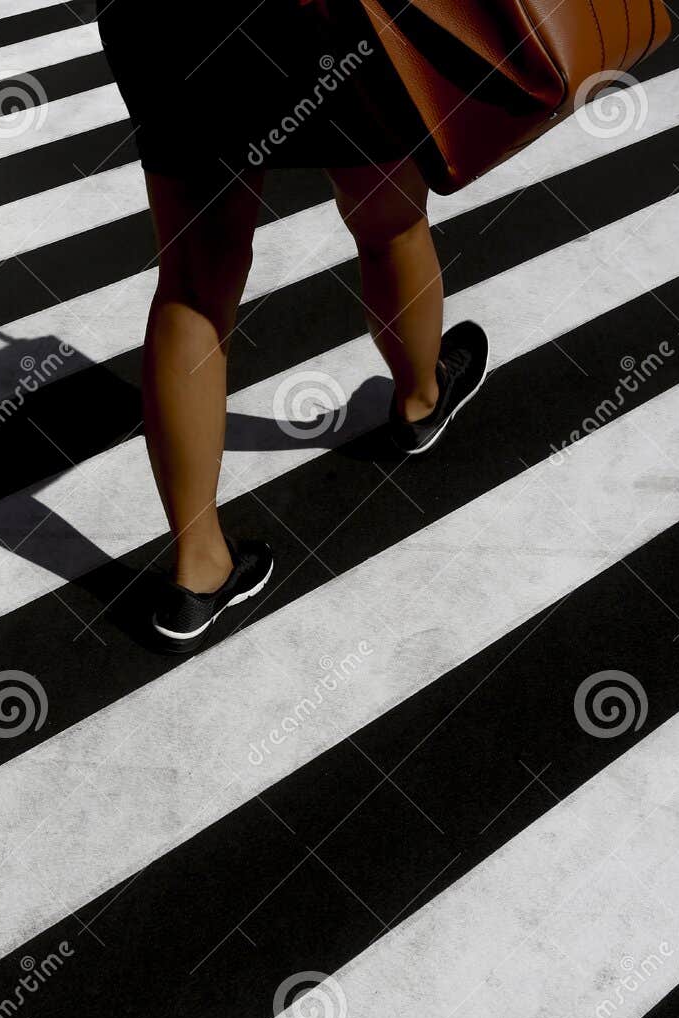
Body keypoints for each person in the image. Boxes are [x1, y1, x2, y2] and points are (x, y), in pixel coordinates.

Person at [97, 0, 490, 653]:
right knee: (387, 214)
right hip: (327, 16)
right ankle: (421, 397)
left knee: (195, 278)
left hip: (169, 23)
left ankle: (198, 570)